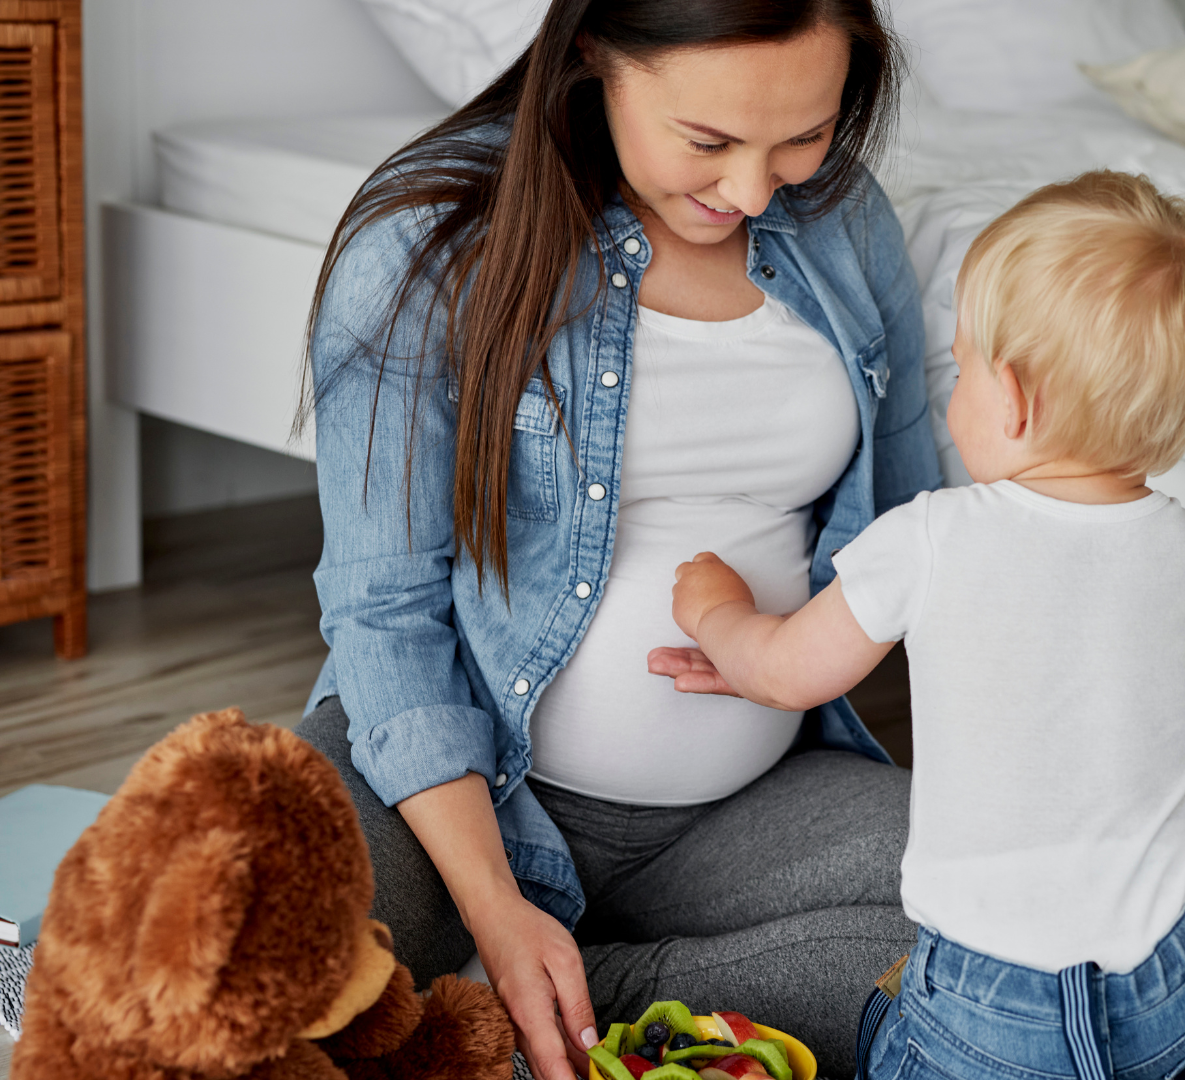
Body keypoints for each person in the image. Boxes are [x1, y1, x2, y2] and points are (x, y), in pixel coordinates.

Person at [294, 2, 940, 1078]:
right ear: (596, 55)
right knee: (254, 944)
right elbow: (384, 612)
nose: (751, 190)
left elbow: (909, 522)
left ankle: (577, 998)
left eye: (802, 136)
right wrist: (497, 907)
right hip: (451, 804)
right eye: (708, 142)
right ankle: (518, 971)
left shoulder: (844, 224)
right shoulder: (430, 233)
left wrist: (799, 645)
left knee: (1018, 929)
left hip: (742, 811)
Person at [655, 171, 1185, 1080]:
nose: (948, 388)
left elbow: (792, 672)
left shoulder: (934, 535)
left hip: (1005, 1002)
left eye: (959, 366)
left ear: (1017, 403)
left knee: (898, 1030)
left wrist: (716, 613)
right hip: (1184, 962)